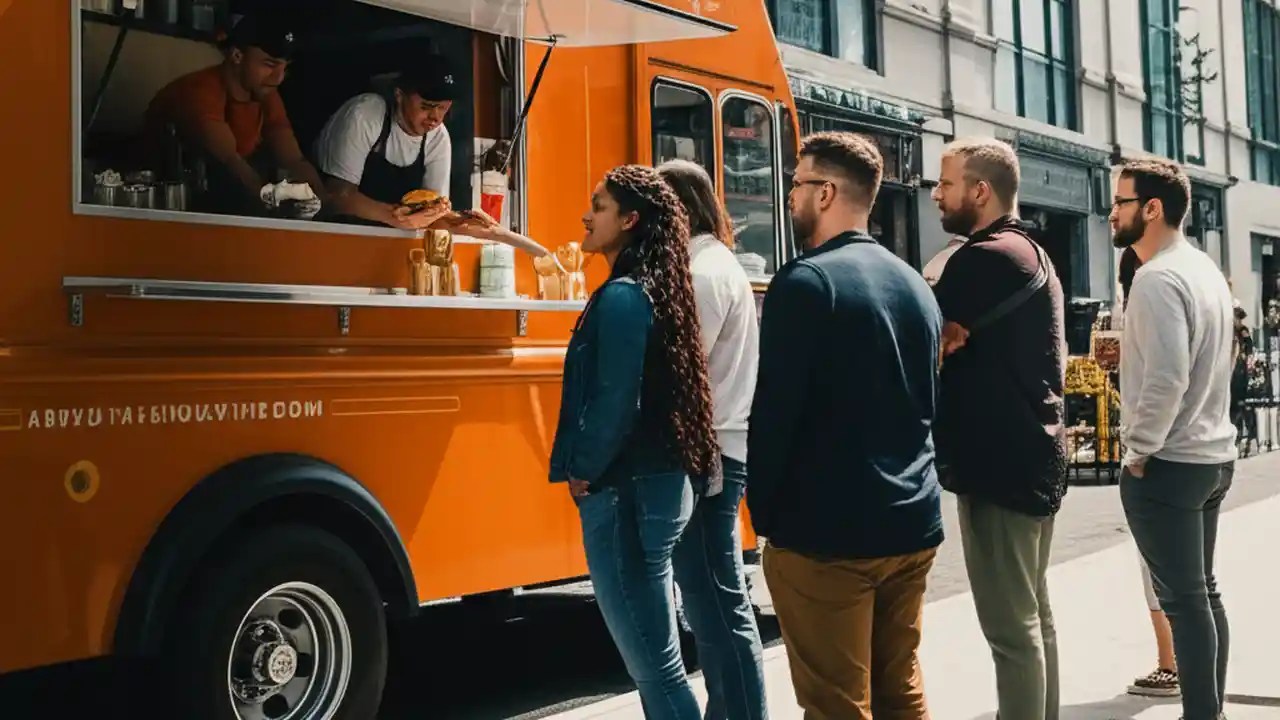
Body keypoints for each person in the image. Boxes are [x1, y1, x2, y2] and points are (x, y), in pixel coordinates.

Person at [747, 131, 944, 720]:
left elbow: (776, 412)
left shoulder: (805, 283)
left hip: (828, 532)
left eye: (797, 184)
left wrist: (768, 516)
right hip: (911, 519)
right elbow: (931, 402)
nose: (790, 197)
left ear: (826, 191)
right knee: (899, 691)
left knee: (836, 704)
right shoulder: (915, 284)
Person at [547, 165, 721, 720]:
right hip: (653, 487)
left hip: (626, 492)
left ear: (629, 220)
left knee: (656, 670)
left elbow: (615, 400)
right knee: (657, 665)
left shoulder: (623, 297)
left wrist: (584, 469)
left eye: (597, 206)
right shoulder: (653, 289)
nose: (585, 215)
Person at [929, 137, 1067, 720]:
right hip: (1034, 452)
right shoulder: (1031, 250)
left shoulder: (981, 260)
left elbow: (932, 344)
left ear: (979, 191)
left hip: (999, 462)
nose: (935, 194)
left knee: (1011, 630)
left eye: (945, 183)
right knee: (1033, 616)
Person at [1112, 158, 1237, 720]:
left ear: (1152, 209)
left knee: (1184, 602)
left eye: (1120, 203)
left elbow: (1165, 376)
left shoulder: (1157, 277)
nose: (1111, 213)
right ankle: (1210, 711)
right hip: (1212, 454)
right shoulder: (1202, 268)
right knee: (1201, 595)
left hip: (1171, 461)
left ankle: (1203, 715)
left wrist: (1138, 449)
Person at [656, 159, 767, 720]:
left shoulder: (701, 273)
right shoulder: (715, 263)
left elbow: (682, 367)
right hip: (720, 447)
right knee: (715, 599)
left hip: (710, 452)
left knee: (716, 603)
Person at [143, 12, 327, 214]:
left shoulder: (264, 92)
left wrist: (324, 206)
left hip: (221, 195)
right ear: (237, 56)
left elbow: (293, 159)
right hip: (160, 201)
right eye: (270, 65)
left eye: (285, 68)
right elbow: (230, 162)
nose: (279, 78)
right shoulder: (200, 91)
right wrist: (270, 199)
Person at [1119, 246, 1182, 698]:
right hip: (1199, 452)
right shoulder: (1200, 284)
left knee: (1159, 571)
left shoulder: (1155, 289)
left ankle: (1172, 666)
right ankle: (1188, 671)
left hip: (1163, 455)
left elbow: (1164, 380)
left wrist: (1138, 450)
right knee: (1192, 577)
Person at [314, 57, 456, 229]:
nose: (435, 118)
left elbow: (436, 211)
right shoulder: (366, 114)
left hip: (393, 244)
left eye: (443, 108)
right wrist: (395, 217)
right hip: (335, 234)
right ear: (399, 95)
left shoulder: (438, 137)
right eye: (426, 106)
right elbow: (337, 196)